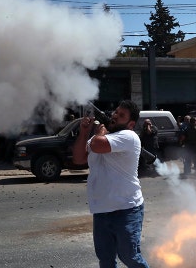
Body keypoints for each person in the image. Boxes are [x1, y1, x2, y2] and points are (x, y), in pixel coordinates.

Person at [71, 100, 149, 268]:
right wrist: (84, 132)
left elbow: (98, 145)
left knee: (130, 257)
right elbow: (78, 159)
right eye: (116, 111)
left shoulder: (129, 136)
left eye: (121, 115)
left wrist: (99, 132)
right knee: (106, 261)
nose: (115, 115)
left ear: (131, 124)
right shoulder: (99, 137)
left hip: (126, 209)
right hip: (101, 211)